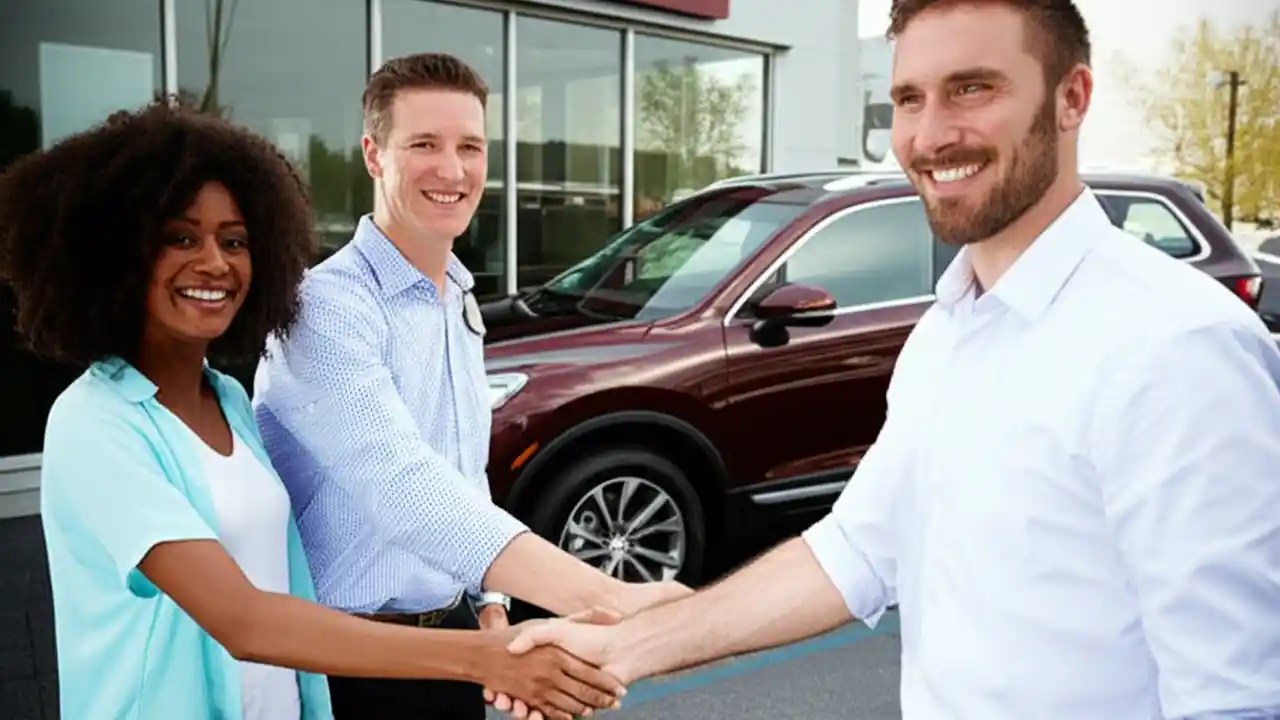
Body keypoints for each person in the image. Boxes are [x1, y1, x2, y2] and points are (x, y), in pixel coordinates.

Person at [506, 1, 1280, 718]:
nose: (930, 135)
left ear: (1071, 98)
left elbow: (1234, 699)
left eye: (971, 89)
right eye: (909, 99)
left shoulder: (1177, 348)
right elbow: (858, 550)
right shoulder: (948, 328)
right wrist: (629, 647)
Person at [0, 101, 626, 720]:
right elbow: (243, 620)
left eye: (235, 241)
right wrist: (488, 657)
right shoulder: (96, 423)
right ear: (114, 253)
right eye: (180, 238)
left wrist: (488, 605)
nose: (214, 262)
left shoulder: (228, 400)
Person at [251, 52, 687, 720]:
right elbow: (402, 484)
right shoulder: (327, 309)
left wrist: (490, 602)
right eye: (424, 144)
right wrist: (609, 597)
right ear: (373, 155)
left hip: (452, 640)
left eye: (470, 147)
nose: (452, 171)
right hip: (350, 664)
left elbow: (459, 469)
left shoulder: (455, 293)